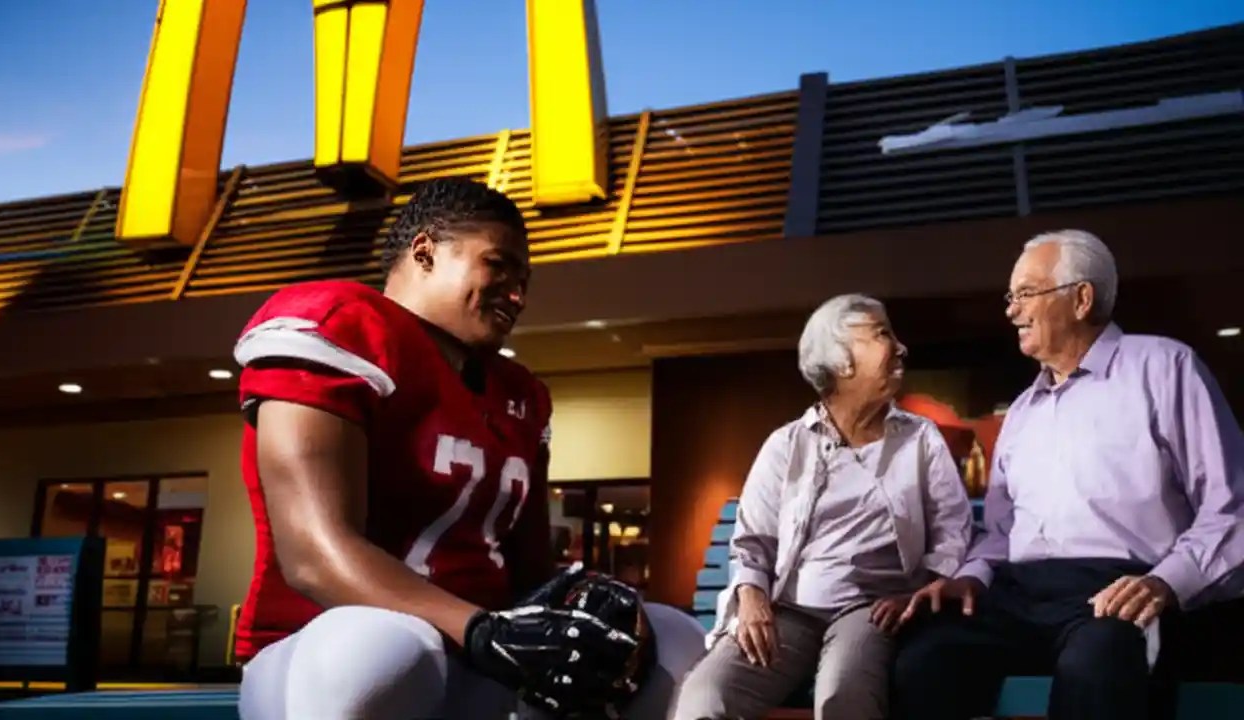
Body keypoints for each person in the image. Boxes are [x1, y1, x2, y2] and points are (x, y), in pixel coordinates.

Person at [230, 178, 706, 720]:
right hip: (323, 650)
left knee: (675, 637)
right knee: (379, 650)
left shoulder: (521, 394)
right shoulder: (341, 322)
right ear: (425, 251)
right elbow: (314, 555)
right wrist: (481, 630)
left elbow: (527, 574)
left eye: (524, 281)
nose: (517, 295)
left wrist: (579, 598)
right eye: (498, 267)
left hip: (481, 655)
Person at [892, 229, 1244, 720]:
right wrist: (970, 576)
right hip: (1022, 594)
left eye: (1026, 294)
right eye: (1010, 297)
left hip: (1121, 590)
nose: (1012, 311)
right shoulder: (1021, 412)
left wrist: (1164, 584)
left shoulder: (1165, 367)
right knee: (922, 658)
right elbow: (1000, 533)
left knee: (1095, 664)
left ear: (1081, 298)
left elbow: (1230, 509)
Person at [670, 294, 974, 720]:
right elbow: (752, 538)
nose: (900, 347)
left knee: (842, 699)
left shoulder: (919, 439)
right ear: (842, 361)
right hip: (791, 611)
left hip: (869, 608)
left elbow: (953, 528)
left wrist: (916, 590)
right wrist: (752, 594)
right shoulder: (787, 444)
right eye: (883, 334)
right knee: (706, 696)